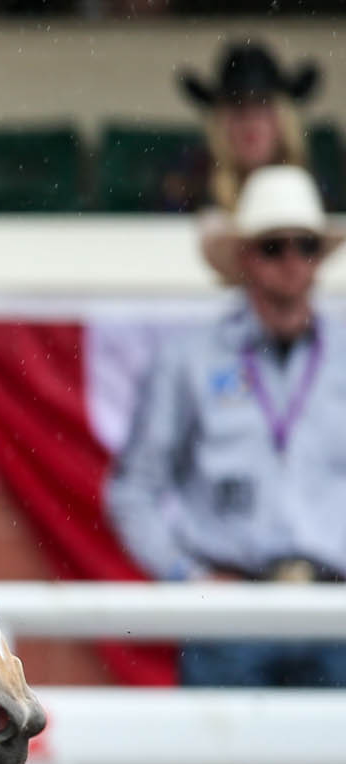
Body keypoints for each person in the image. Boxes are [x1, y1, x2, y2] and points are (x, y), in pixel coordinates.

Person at [105, 165, 346, 688]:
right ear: (245, 259)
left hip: (338, 613)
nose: (290, 263)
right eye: (273, 247)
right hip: (229, 618)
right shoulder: (188, 359)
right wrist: (186, 578)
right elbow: (133, 489)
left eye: (304, 246)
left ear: (318, 259)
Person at [167, 40, 321, 216]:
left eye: (262, 104)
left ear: (284, 119)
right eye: (237, 106)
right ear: (219, 122)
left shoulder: (319, 189)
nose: (250, 120)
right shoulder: (189, 188)